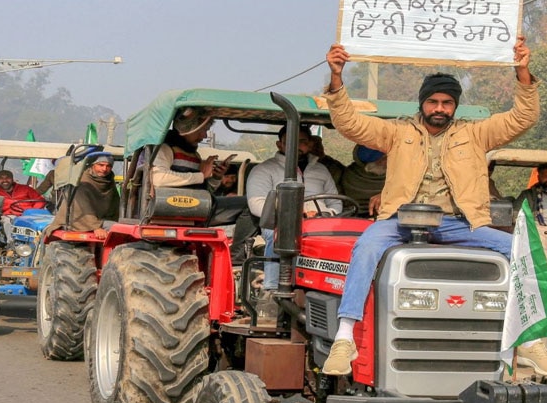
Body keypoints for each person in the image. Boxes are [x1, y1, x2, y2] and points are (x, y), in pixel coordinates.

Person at [320, 36, 547, 377]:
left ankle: (531, 340)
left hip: (459, 224)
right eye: (433, 101)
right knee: (366, 246)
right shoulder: (396, 133)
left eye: (446, 103)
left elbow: (523, 117)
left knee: (523, 251)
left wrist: (522, 72)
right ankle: (345, 338)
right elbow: (350, 123)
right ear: (422, 103)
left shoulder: (477, 134)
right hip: (400, 221)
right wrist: (336, 78)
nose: (439, 108)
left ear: (455, 106)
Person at [246, 124, 341, 313]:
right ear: (280, 144)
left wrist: (326, 214)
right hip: (279, 223)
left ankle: (333, 293)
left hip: (320, 225)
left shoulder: (321, 170)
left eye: (303, 142)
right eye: (291, 142)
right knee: (281, 238)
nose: (298, 146)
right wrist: (294, 212)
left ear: (311, 144)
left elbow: (336, 203)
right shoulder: (265, 169)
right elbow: (257, 203)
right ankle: (272, 296)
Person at [151, 108, 247, 225]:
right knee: (248, 204)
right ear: (188, 129)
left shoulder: (194, 154)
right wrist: (201, 175)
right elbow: (158, 179)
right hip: (174, 208)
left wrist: (215, 177)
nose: (205, 135)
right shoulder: (166, 149)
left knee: (247, 202)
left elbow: (203, 191)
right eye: (202, 130)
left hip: (198, 207)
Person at [46, 154, 121, 239]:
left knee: (122, 228)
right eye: (101, 165)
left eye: (108, 166)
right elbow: (82, 207)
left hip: (101, 219)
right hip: (77, 220)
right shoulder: (81, 181)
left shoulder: (109, 181)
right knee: (117, 228)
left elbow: (115, 204)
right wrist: (95, 227)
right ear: (93, 165)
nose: (104, 169)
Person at [0, 170, 47, 242]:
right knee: (7, 221)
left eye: (7, 177)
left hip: (29, 215)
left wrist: (32, 211)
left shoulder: (25, 189)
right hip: (10, 215)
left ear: (12, 179)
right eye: (1, 178)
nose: (5, 180)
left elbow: (39, 200)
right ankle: (12, 244)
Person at [338, 145, 387, 218]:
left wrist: (386, 195)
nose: (386, 162)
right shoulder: (352, 174)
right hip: (354, 215)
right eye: (382, 159)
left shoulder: (397, 175)